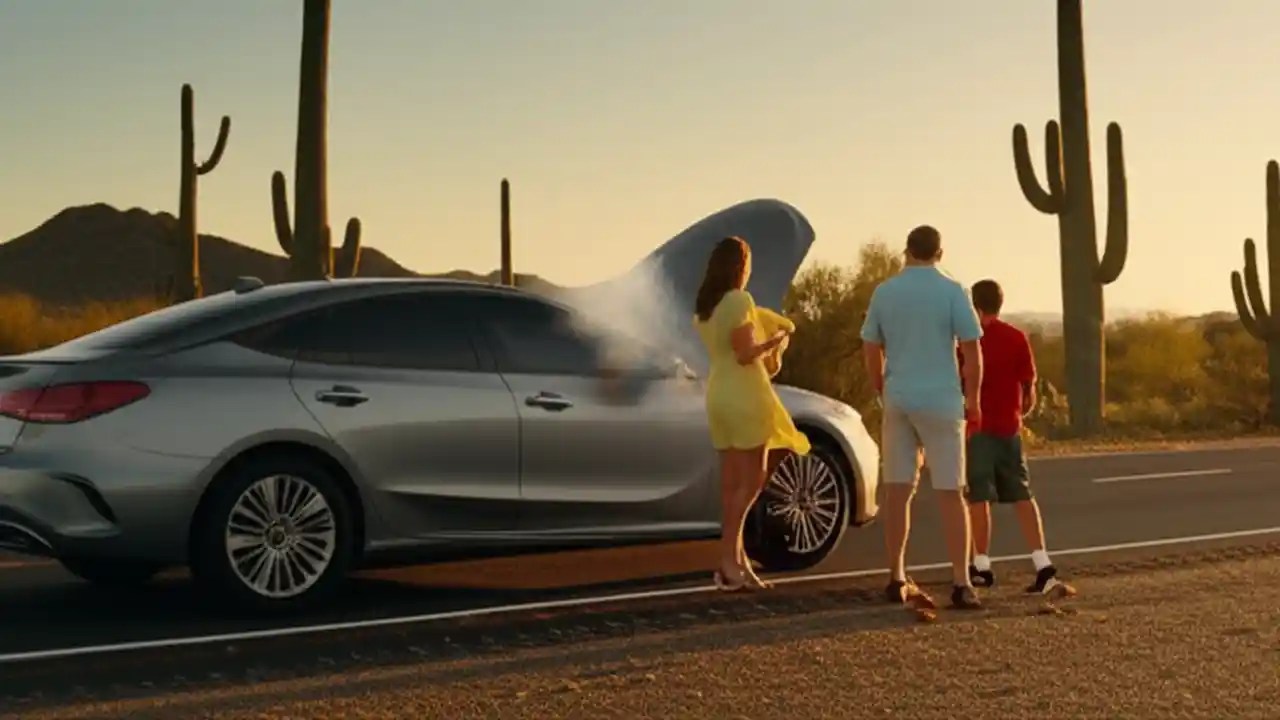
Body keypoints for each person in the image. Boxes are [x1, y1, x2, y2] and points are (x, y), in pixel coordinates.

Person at [860, 225, 984, 610]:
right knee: (950, 492)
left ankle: (896, 575)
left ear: (906, 251)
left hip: (899, 396)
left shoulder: (885, 292)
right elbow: (972, 352)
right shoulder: (952, 290)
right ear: (939, 252)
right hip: (941, 400)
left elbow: (871, 345)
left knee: (898, 490)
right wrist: (974, 400)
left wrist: (881, 386)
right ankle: (961, 581)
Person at [693, 236, 812, 591]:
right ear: (740, 267)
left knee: (732, 485)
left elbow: (731, 353)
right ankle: (729, 558)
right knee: (754, 479)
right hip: (745, 394)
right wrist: (775, 343)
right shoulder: (739, 301)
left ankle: (736, 562)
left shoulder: (705, 309)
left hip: (718, 393)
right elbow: (746, 354)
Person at [960, 279, 1068, 596]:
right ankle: (1042, 563)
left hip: (977, 429)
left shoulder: (967, 342)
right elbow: (1028, 391)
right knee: (1021, 494)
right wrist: (1019, 414)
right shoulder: (1017, 338)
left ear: (975, 306)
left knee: (979, 497)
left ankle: (980, 565)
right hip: (1010, 429)